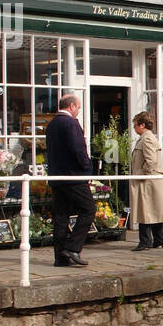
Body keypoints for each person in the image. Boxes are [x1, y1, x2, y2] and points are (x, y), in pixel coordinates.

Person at [45, 93, 95, 267]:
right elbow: (79, 150)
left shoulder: (52, 124)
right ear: (72, 106)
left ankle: (60, 258)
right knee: (89, 209)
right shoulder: (70, 123)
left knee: (61, 217)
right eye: (79, 107)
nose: (79, 111)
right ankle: (73, 248)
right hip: (73, 177)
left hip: (56, 177)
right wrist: (87, 169)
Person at [129, 111, 163, 250]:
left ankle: (145, 242)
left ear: (142, 125)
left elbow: (151, 161)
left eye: (135, 125)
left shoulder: (146, 139)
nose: (134, 128)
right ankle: (159, 239)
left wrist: (141, 174)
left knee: (145, 212)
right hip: (151, 180)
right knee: (153, 211)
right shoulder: (146, 138)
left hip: (148, 181)